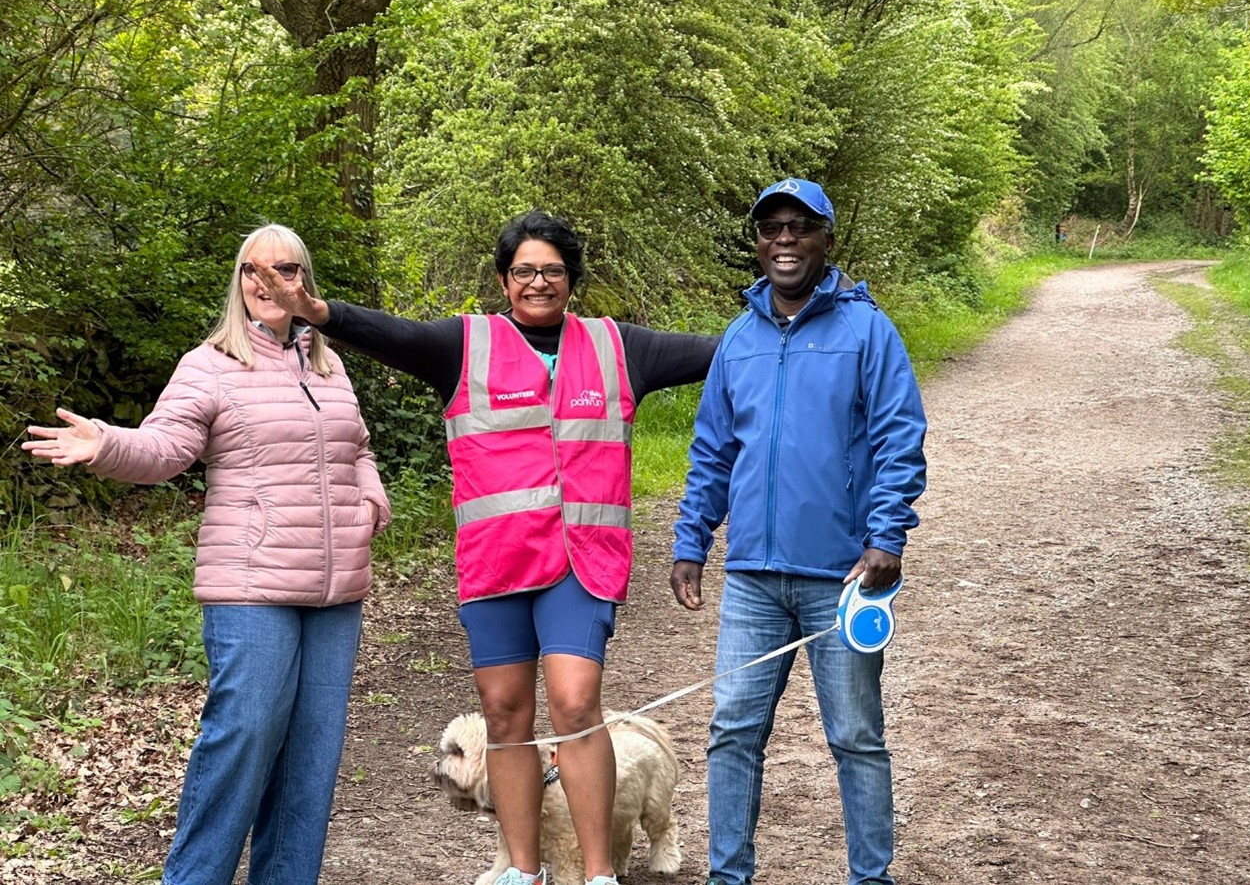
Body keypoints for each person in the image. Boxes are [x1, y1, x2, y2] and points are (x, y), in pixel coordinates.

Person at [253, 209, 718, 885]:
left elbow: (727, 350)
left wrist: (790, 308)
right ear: (504, 279)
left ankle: (596, 875)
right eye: (524, 270)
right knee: (505, 713)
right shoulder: (461, 345)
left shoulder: (621, 348)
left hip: (581, 560)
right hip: (497, 563)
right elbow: (394, 335)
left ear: (570, 280)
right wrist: (320, 311)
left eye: (552, 271)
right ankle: (521, 870)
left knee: (576, 702)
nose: (538, 282)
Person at [23, 224, 391, 885]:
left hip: (337, 594)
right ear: (239, 283)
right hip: (251, 588)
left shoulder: (328, 366)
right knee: (244, 741)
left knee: (311, 760)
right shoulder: (210, 365)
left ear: (304, 280)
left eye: (282, 270)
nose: (266, 283)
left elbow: (356, 448)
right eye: (252, 272)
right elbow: (164, 448)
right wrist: (105, 443)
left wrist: (369, 503)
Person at [670, 178, 928, 885]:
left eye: (799, 226)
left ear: (826, 240)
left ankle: (869, 878)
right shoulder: (738, 338)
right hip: (752, 578)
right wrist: (692, 539)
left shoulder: (865, 330)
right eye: (769, 227)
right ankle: (729, 877)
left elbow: (898, 439)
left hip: (842, 577)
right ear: (756, 243)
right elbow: (713, 448)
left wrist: (886, 538)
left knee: (854, 737)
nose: (783, 239)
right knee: (731, 733)